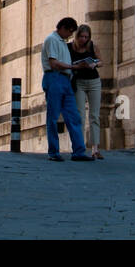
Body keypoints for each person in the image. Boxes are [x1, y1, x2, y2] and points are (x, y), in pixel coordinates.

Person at [40, 17, 95, 162]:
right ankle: (53, 152)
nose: (70, 36)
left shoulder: (62, 42)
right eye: (69, 32)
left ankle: (78, 151)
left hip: (65, 80)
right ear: (63, 28)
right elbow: (53, 63)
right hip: (54, 78)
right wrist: (74, 67)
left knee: (74, 116)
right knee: (53, 117)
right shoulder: (52, 39)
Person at [69, 24, 103, 160]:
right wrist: (77, 65)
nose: (84, 39)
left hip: (94, 81)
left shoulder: (92, 46)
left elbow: (101, 61)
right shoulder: (70, 47)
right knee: (80, 116)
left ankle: (95, 149)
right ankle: (80, 147)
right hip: (79, 82)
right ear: (77, 36)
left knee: (94, 115)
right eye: (82, 37)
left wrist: (94, 64)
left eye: (86, 37)